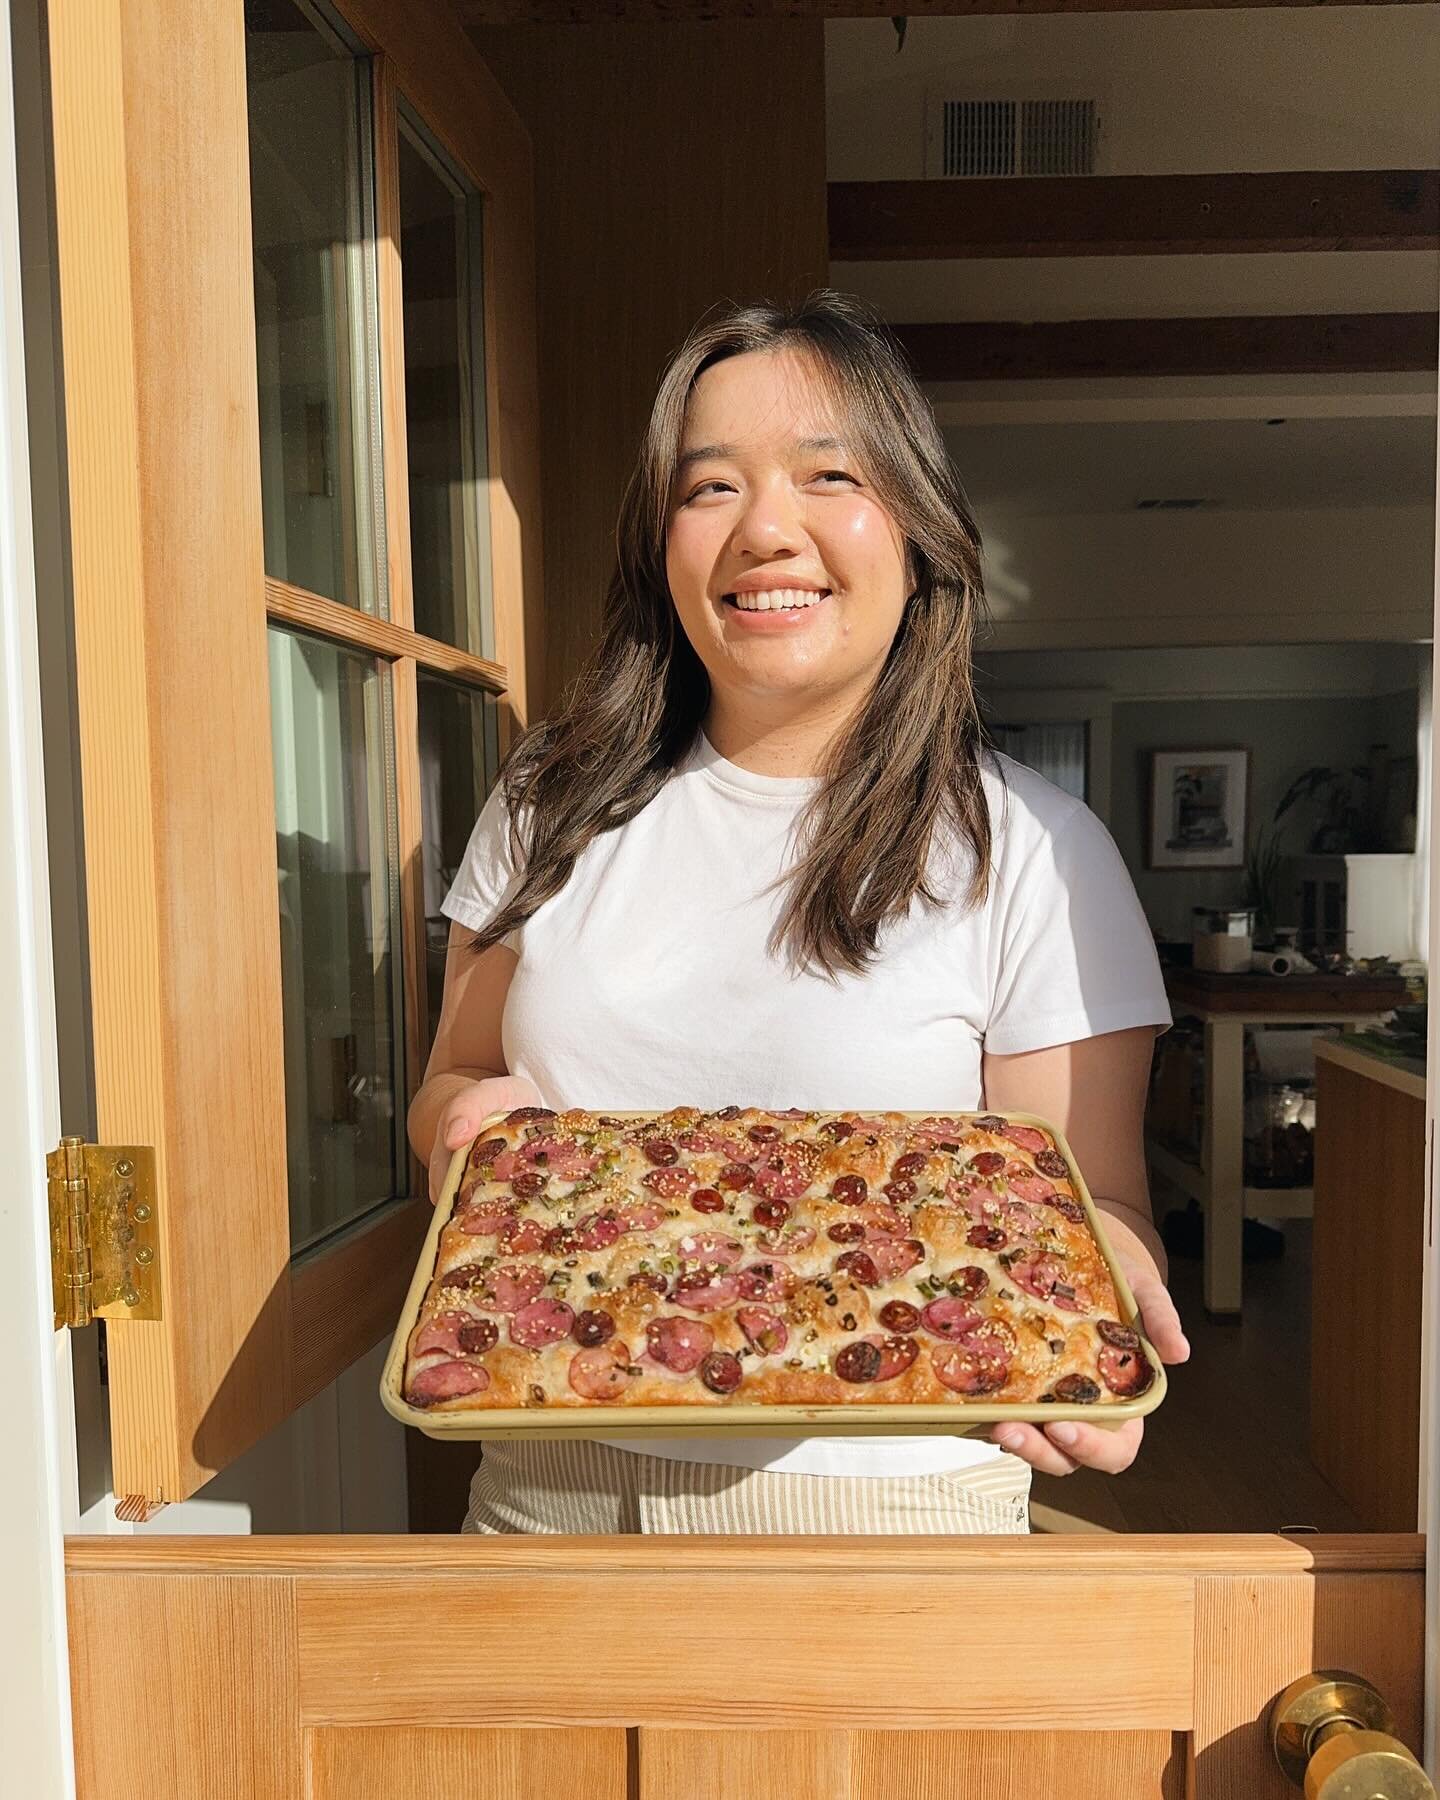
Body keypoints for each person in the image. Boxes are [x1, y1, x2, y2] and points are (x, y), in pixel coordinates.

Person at [407, 288, 1190, 1536]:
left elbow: (1088, 1202)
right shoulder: (545, 796)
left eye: (829, 473)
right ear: (659, 544)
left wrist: (1107, 1300)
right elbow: (452, 1076)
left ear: (918, 525)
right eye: (708, 487)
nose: (767, 529)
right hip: (551, 1478)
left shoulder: (1037, 852)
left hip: (894, 1501)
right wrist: (462, 1123)